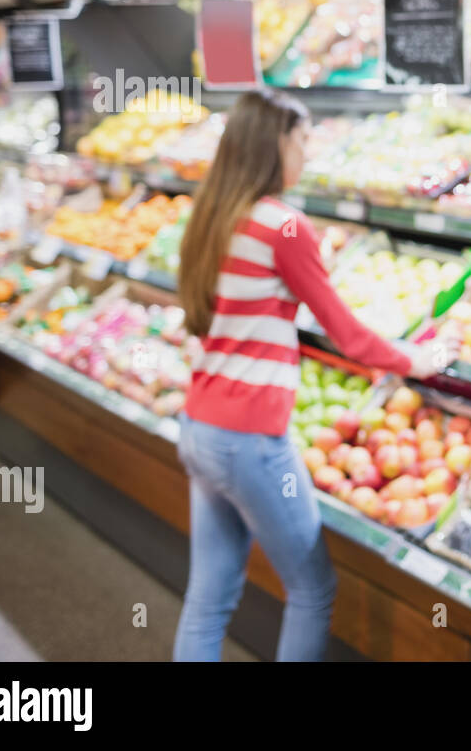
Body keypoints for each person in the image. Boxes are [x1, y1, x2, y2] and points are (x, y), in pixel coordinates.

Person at [173, 88, 456, 661]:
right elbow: (348, 335)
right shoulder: (283, 226)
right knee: (312, 587)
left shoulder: (211, 215)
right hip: (250, 441)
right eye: (302, 141)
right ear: (274, 144)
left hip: (199, 428)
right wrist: (415, 359)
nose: (307, 155)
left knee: (208, 598)